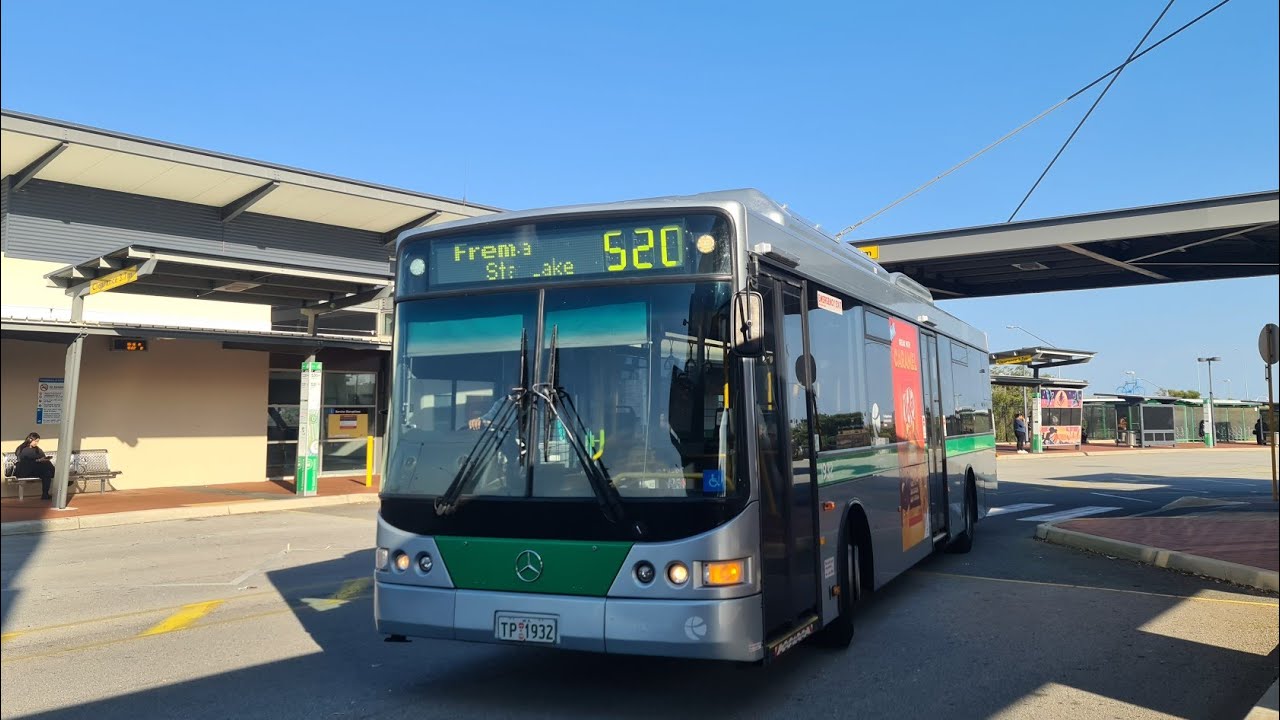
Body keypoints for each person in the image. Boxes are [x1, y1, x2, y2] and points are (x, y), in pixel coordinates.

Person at [14, 432, 55, 500]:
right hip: (25, 470)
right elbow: (24, 462)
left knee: (47, 472)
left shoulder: (37, 449)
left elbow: (42, 456)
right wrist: (38, 460)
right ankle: (58, 477)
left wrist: (43, 459)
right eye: (35, 441)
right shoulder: (22, 449)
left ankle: (45, 494)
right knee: (47, 466)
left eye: (37, 441)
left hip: (35, 469)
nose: (36, 443)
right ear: (30, 439)